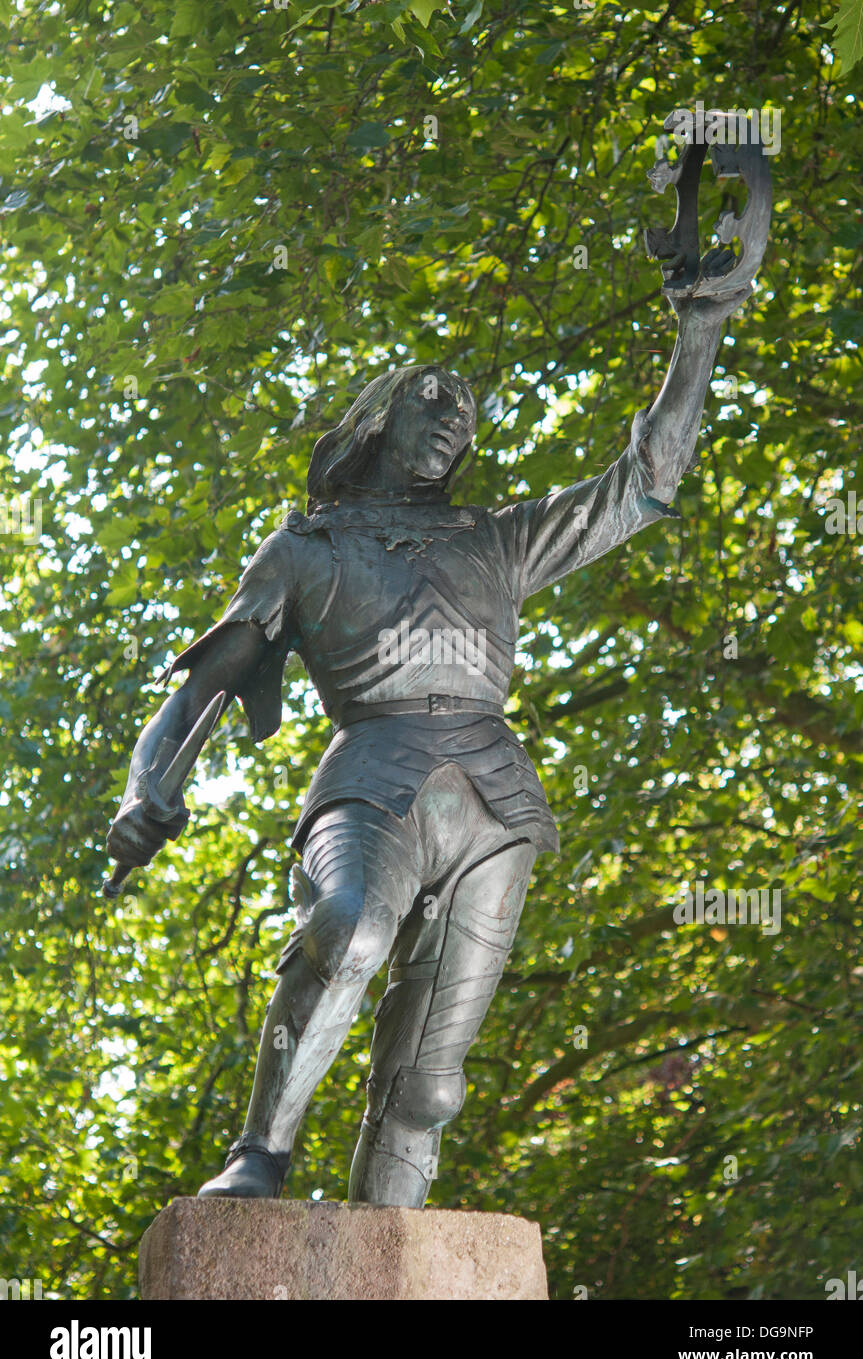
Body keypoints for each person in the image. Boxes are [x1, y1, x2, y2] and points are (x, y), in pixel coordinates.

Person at [106, 288, 748, 1206]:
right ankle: (261, 1155)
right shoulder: (305, 546)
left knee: (430, 1082)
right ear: (377, 418)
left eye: (467, 411)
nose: (454, 417)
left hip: (495, 802)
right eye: (431, 397)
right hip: (372, 775)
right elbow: (202, 688)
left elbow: (643, 482)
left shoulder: (498, 537)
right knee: (351, 929)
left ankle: (390, 1237)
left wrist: (700, 328)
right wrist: (144, 789)